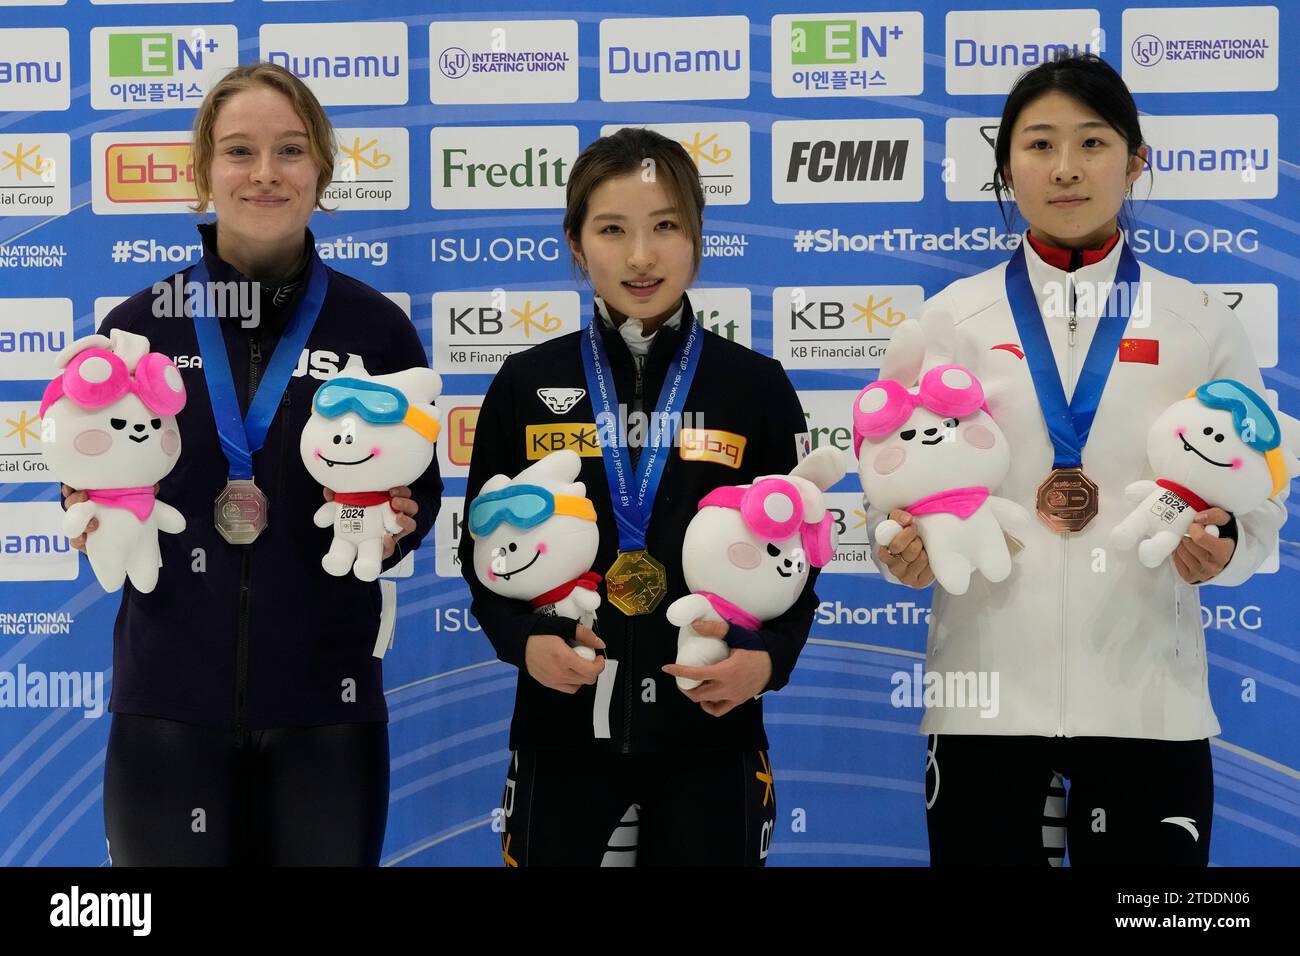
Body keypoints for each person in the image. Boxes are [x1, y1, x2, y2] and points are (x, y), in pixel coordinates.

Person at [865, 53, 1285, 866]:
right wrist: (901, 552)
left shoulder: (1202, 320)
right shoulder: (949, 320)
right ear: (1006, 164)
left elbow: (1259, 497)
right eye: (1039, 144)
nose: (1065, 169)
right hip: (981, 698)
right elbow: (895, 494)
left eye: (1092, 143)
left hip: (1149, 703)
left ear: (1135, 160)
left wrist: (1226, 546)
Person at [61, 62, 442, 865]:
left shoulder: (376, 330)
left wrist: (401, 523)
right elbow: (93, 464)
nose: (265, 172)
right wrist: (86, 504)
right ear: (203, 174)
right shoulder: (141, 326)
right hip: (167, 711)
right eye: (239, 151)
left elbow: (420, 495)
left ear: (322, 174)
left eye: (291, 151)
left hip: (326, 714)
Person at [459, 127, 817, 866]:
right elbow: (482, 557)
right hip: (563, 733)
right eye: (612, 230)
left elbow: (801, 557)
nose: (641, 256)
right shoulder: (525, 384)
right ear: (575, 243)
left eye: (665, 227)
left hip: (710, 733)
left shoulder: (754, 388)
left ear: (697, 237)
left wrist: (768, 660)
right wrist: (524, 644)